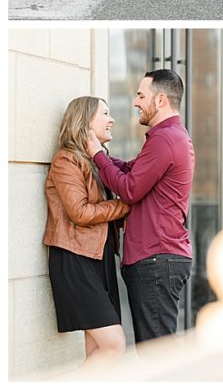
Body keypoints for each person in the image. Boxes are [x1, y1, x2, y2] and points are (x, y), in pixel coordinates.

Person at [85, 69, 195, 345]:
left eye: (141, 96)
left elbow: (129, 189)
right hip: (158, 257)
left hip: (156, 257)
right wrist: (99, 154)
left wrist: (97, 154)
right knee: (154, 350)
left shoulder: (166, 139)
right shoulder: (169, 137)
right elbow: (129, 170)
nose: (135, 102)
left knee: (155, 354)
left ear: (160, 100)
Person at [44, 97, 131, 364]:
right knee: (115, 344)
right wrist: (124, 205)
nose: (111, 119)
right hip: (75, 259)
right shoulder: (66, 160)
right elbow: (80, 212)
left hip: (99, 259)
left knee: (97, 350)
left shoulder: (95, 162)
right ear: (85, 121)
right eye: (105, 113)